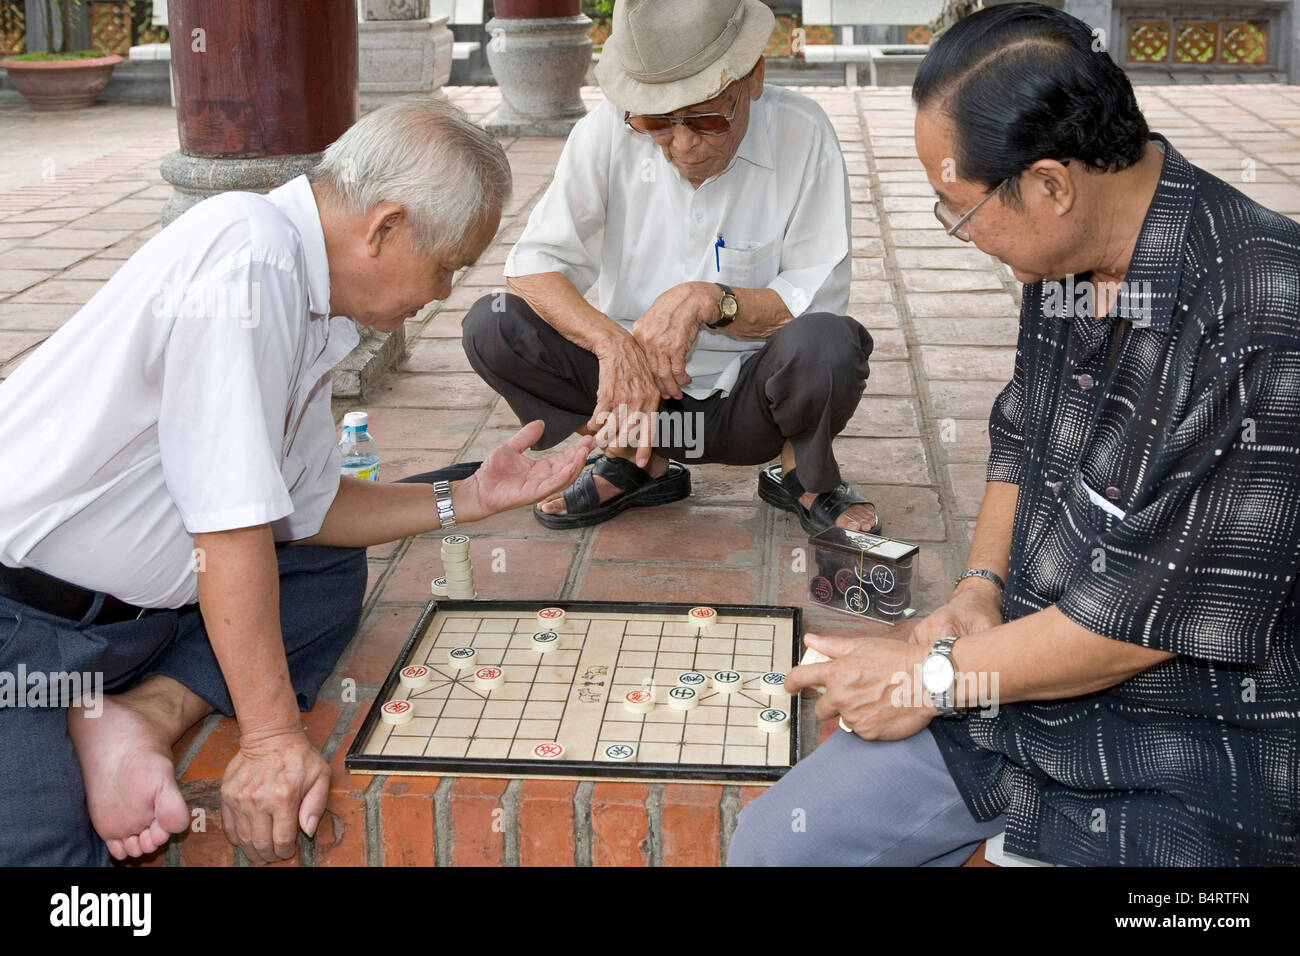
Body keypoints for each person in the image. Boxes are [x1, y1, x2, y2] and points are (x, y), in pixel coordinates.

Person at [729, 3, 1300, 866]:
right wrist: (980, 588)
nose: (962, 234)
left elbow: (1141, 626)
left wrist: (928, 679)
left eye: (958, 209)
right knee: (774, 847)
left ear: (1049, 184)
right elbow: (1025, 434)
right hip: (1018, 675)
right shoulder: (1065, 253)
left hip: (1199, 733)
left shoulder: (1265, 320)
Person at [0, 98, 593, 866]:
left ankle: (137, 716)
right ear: (384, 227)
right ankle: (94, 713)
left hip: (131, 620)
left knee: (324, 570)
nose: (444, 293)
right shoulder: (254, 261)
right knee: (53, 868)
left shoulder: (311, 296)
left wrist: (468, 498)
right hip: (24, 628)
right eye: (447, 265)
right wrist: (272, 738)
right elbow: (231, 526)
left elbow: (305, 513)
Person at [462, 0, 880, 534]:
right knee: (494, 323)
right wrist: (612, 346)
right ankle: (634, 462)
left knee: (828, 342)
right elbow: (533, 266)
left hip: (751, 406)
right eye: (657, 121)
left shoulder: (803, 133)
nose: (682, 145)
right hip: (632, 403)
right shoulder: (604, 132)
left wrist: (713, 299)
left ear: (753, 77)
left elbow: (812, 294)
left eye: (706, 118)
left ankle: (805, 476)